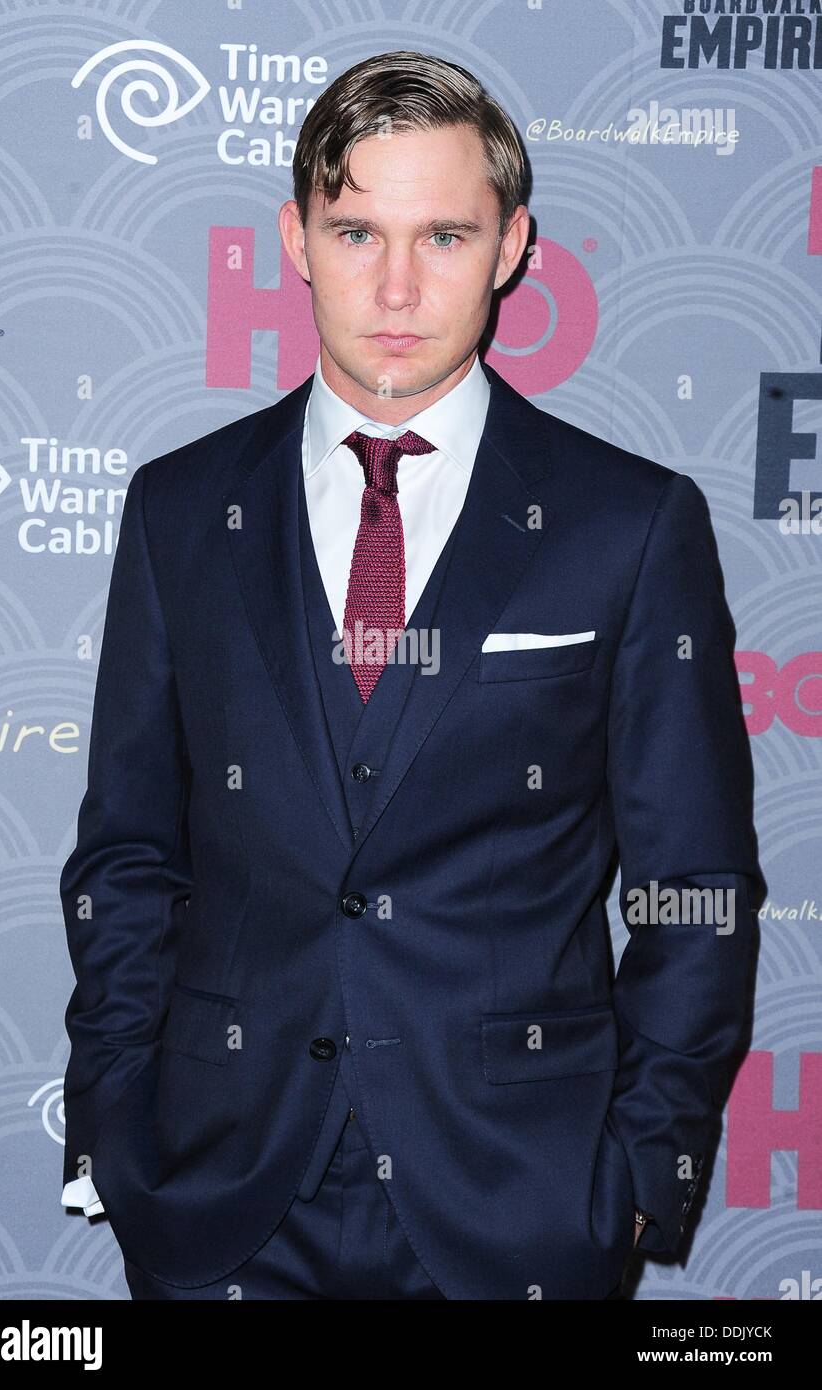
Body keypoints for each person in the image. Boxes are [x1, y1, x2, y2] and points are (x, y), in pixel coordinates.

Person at [59, 49, 764, 1300]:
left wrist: (641, 1173)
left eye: (442, 233)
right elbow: (127, 857)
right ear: (295, 239)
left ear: (510, 245)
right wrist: (118, 1127)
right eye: (354, 230)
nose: (394, 285)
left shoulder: (627, 523)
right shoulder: (179, 511)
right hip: (221, 1201)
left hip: (515, 1213)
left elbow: (691, 889)